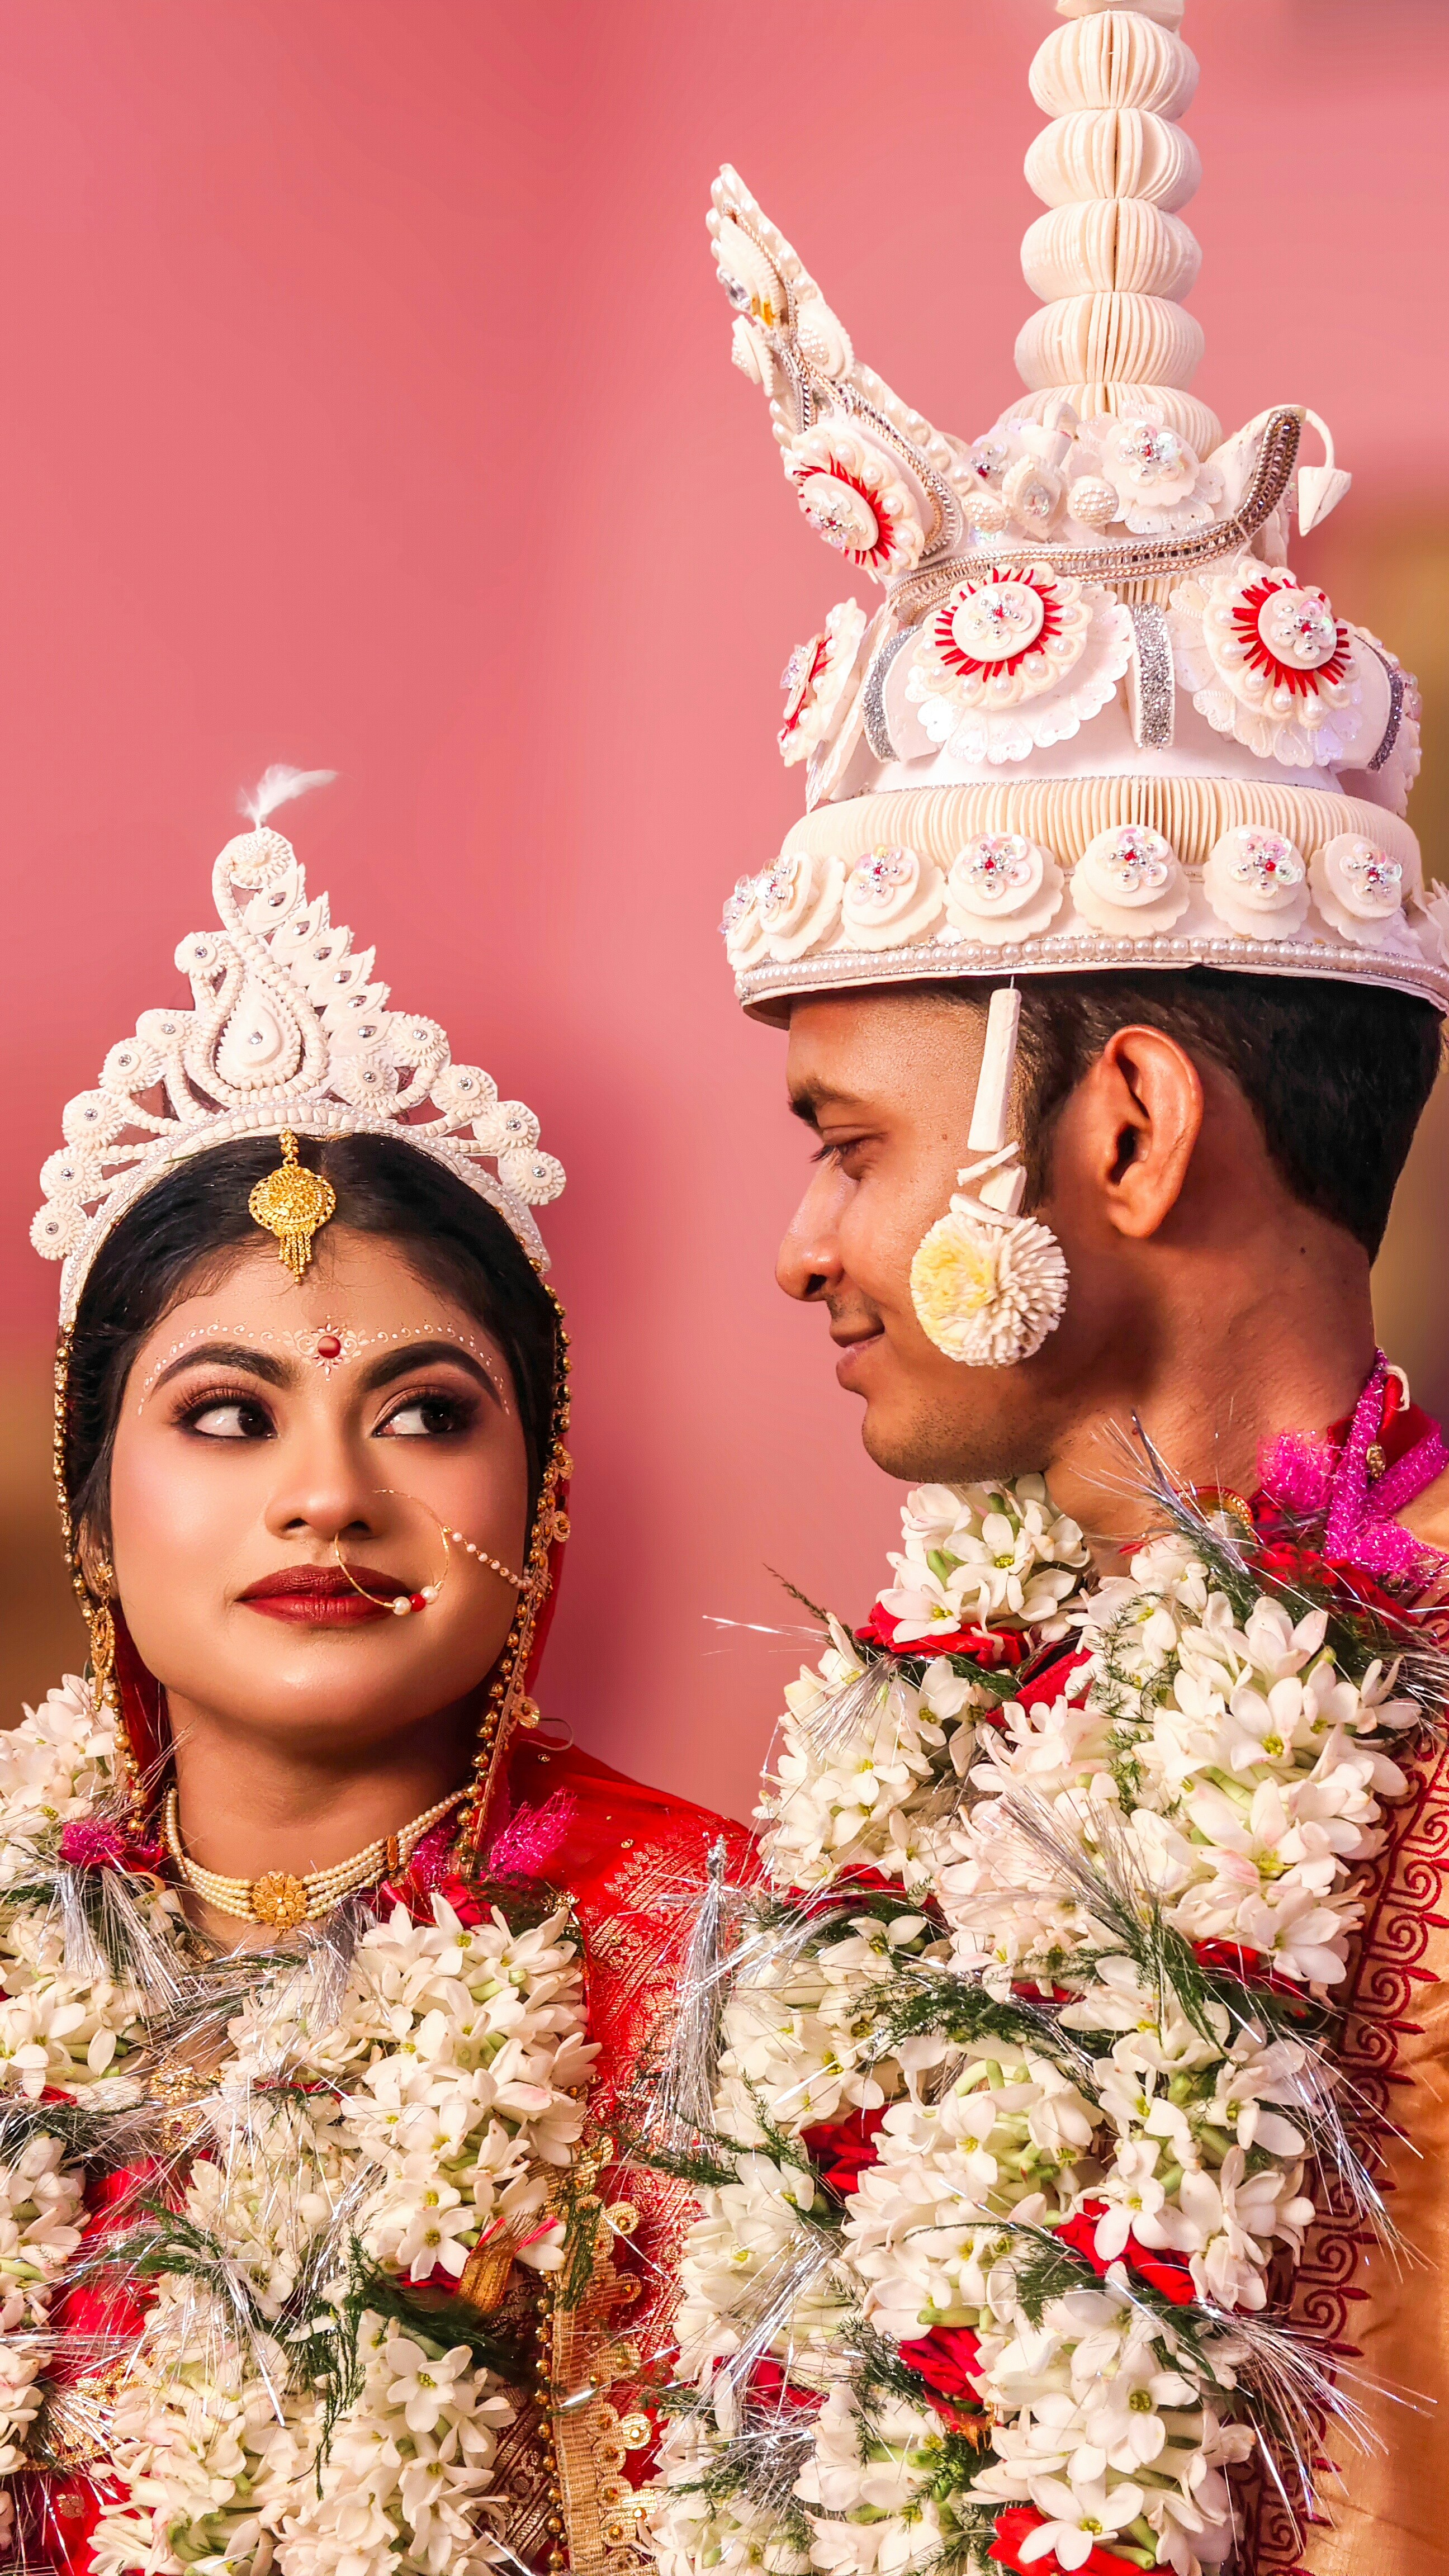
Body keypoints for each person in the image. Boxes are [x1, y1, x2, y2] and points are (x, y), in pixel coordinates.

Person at [652, 6, 1449, 2575]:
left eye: (848, 1144)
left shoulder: (1416, 1805)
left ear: (1118, 1124)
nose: (796, 1241)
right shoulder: (887, 1763)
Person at [2, 778, 745, 2576]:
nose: (329, 1494)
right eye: (229, 1417)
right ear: (91, 1513)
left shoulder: (723, 1964)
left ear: (544, 1492)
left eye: (422, 1411)